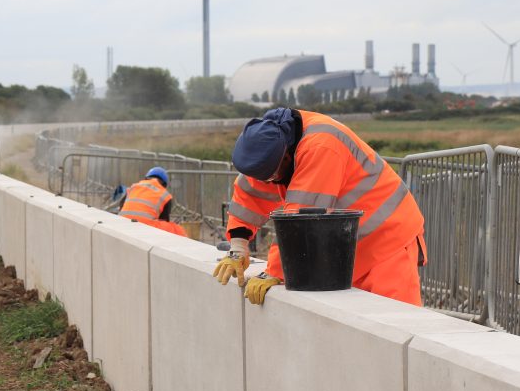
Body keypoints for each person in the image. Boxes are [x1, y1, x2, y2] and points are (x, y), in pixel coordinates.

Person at [212, 107, 426, 306]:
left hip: (389, 241)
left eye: (271, 177)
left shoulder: (321, 146)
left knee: (392, 323)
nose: (269, 182)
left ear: (285, 156)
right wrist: (238, 247)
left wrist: (275, 272)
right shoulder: (270, 145)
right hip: (350, 250)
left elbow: (300, 221)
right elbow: (248, 197)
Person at [118, 167, 188, 237]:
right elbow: (163, 220)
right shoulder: (164, 195)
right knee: (176, 229)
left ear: (146, 178)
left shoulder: (133, 187)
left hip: (123, 224)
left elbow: (121, 207)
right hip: (143, 227)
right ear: (164, 184)